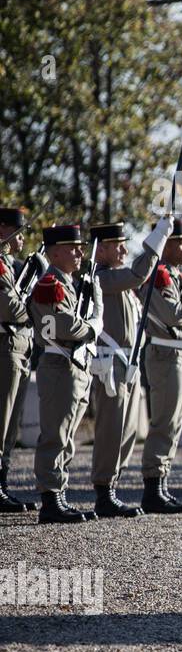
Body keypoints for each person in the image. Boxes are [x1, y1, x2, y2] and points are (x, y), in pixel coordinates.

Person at [87, 218, 169, 519]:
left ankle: (113, 485)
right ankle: (103, 490)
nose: (123, 249)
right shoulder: (101, 277)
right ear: (102, 249)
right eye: (116, 246)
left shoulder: (117, 279)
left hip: (127, 362)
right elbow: (138, 273)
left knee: (128, 430)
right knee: (111, 429)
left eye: (123, 245)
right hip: (110, 363)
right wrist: (157, 240)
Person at [28, 224, 104, 523]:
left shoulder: (71, 284)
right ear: (55, 251)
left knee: (68, 435)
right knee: (55, 435)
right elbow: (64, 327)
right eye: (73, 248)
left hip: (75, 365)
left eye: (81, 247)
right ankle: (50, 498)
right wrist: (94, 327)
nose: (79, 252)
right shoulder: (50, 284)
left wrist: (94, 303)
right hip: (58, 366)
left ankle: (59, 493)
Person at [140, 216, 182, 514]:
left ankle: (162, 484)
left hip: (181, 354)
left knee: (175, 425)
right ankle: (153, 487)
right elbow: (173, 314)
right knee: (164, 423)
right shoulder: (160, 275)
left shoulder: (176, 275)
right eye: (181, 242)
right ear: (165, 244)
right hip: (166, 356)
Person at [0, 206, 39, 512]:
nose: (22, 237)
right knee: (1, 420)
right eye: (17, 230)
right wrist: (32, 304)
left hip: (19, 346)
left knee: (11, 422)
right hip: (4, 345)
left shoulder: (11, 265)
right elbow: (10, 308)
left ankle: (3, 482)